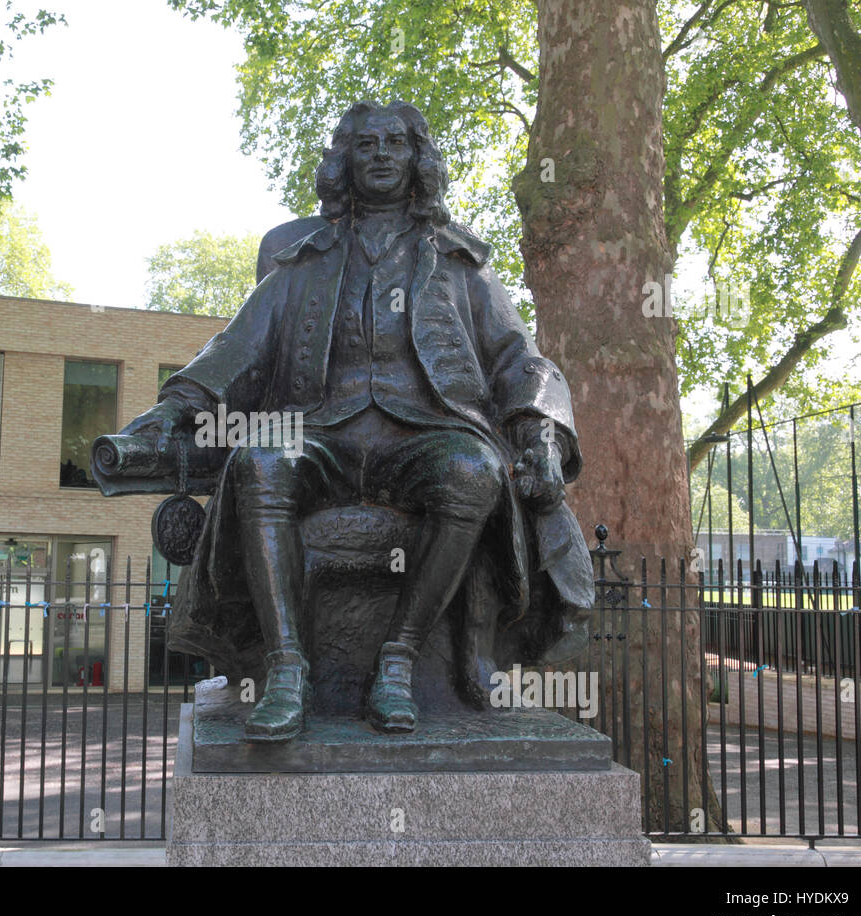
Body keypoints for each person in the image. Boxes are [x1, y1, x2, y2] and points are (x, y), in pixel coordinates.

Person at [117, 100, 592, 740]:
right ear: (345, 159)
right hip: (321, 427)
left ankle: (399, 659)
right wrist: (178, 408)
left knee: (473, 471)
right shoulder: (302, 259)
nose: (380, 154)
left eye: (395, 143)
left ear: (416, 158)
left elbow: (518, 359)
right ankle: (286, 668)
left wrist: (539, 430)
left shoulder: (460, 264)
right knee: (259, 461)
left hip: (425, 432)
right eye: (365, 144)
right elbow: (236, 349)